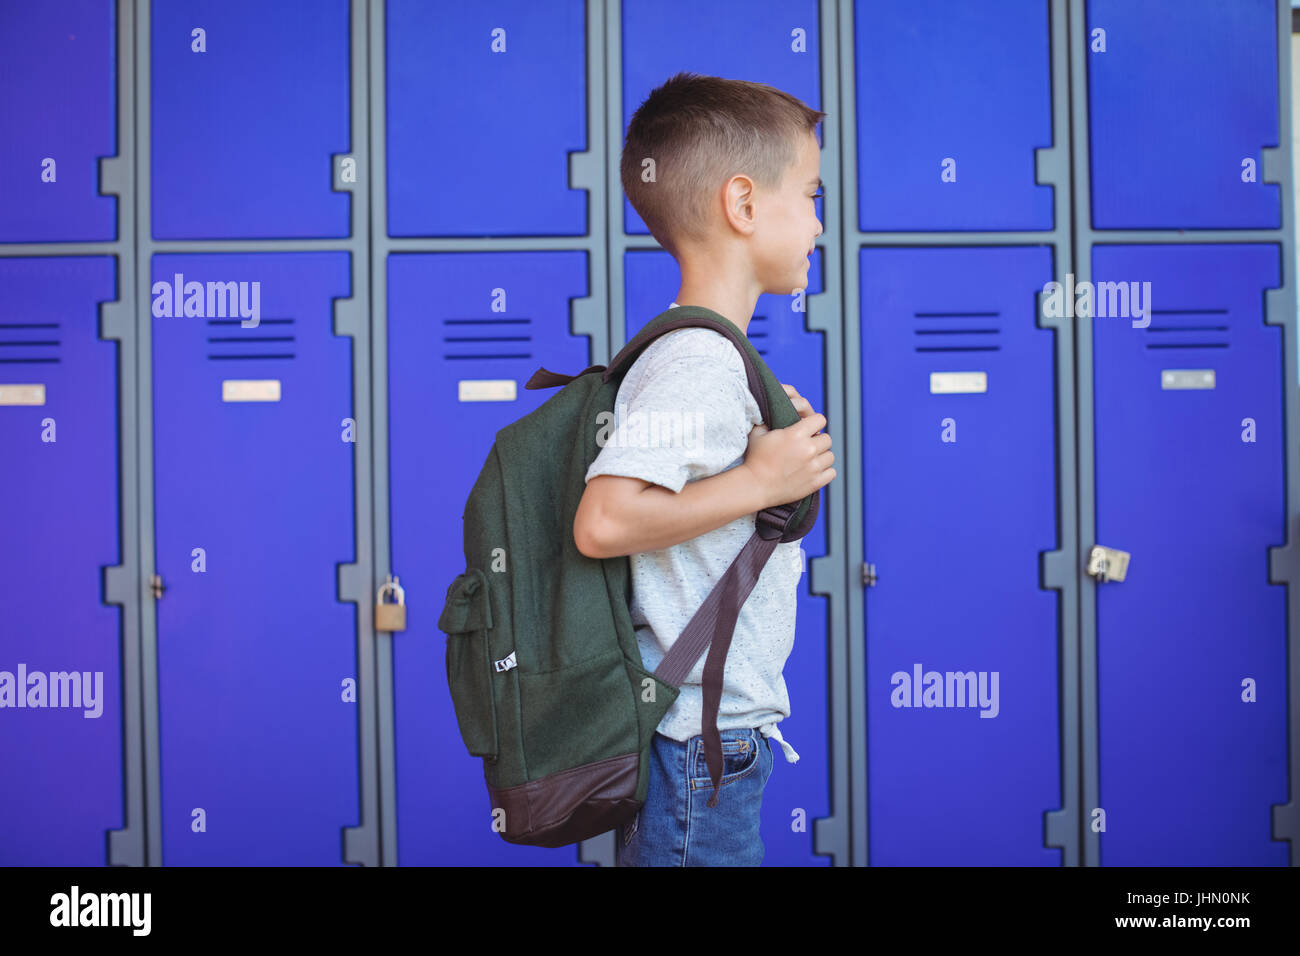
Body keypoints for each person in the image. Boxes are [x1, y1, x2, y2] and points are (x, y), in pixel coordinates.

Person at [572, 72, 836, 866]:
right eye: (812, 195)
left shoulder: (711, 361)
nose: (820, 225)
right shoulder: (699, 359)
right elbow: (604, 521)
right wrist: (763, 484)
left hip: (701, 738)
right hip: (695, 747)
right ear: (745, 205)